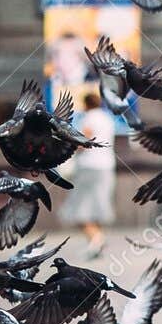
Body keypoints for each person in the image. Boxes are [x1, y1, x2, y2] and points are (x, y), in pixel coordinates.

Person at [59, 89, 117, 255]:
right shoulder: (107, 118)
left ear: (86, 104)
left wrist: (65, 148)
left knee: (79, 208)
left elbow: (84, 142)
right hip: (106, 166)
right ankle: (97, 240)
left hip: (89, 167)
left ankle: (97, 239)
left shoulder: (90, 118)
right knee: (96, 206)